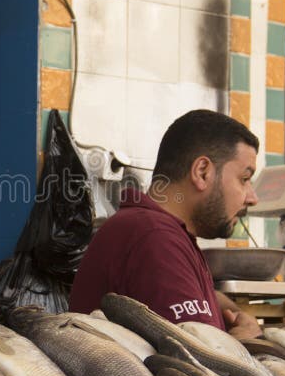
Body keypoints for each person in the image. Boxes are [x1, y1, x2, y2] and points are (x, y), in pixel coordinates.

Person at [69, 109, 263, 339]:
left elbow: (199, 297)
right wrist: (250, 340)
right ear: (202, 172)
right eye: (244, 179)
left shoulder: (156, 229)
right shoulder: (155, 237)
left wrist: (236, 312)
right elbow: (206, 362)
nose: (252, 198)